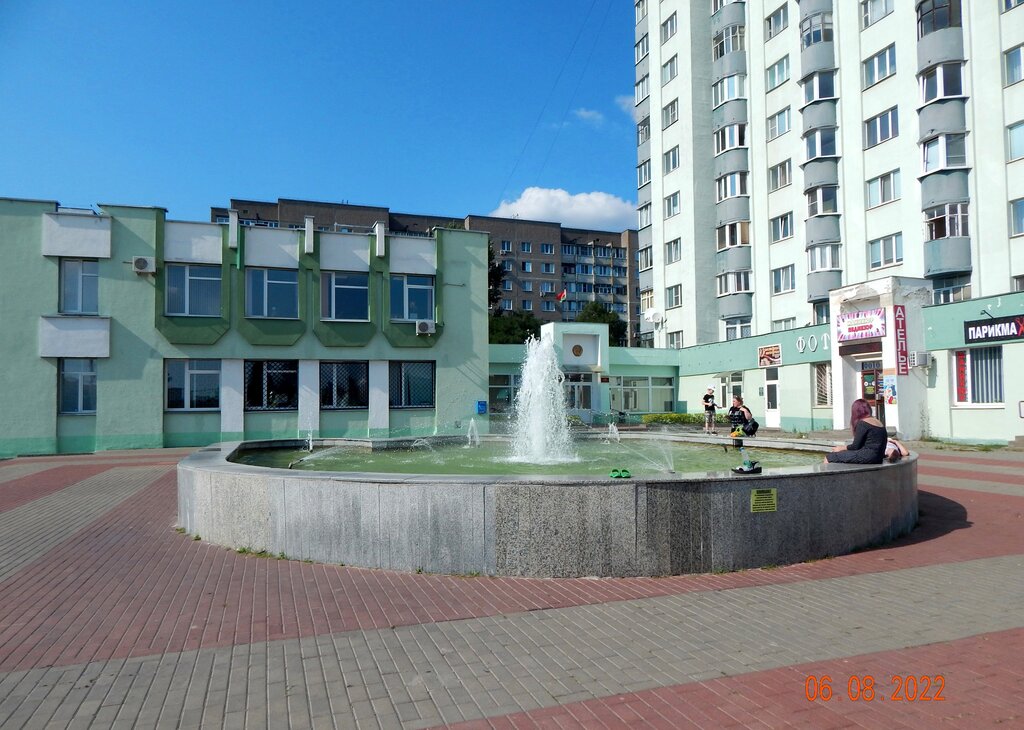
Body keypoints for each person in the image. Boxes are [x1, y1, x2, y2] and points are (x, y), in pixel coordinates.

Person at [825, 399, 888, 464]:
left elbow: (855, 446)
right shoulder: (879, 422)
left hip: (868, 457)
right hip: (878, 458)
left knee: (829, 457)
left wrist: (841, 448)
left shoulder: (863, 423)